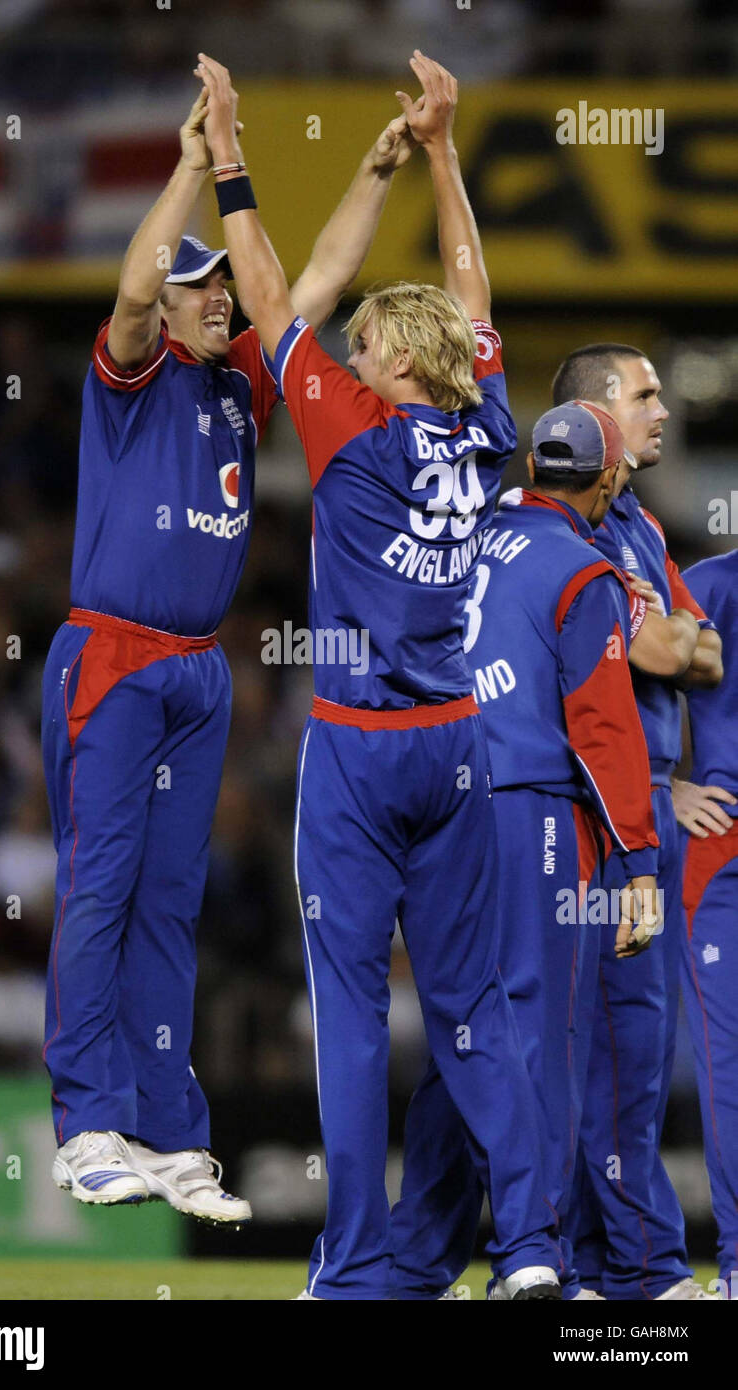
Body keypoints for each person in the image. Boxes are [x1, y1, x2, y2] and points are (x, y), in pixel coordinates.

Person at [198, 48, 563, 1300]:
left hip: (358, 752)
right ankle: (524, 1252)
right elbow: (471, 282)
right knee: (470, 1013)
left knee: (351, 1019)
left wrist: (233, 158)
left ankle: (353, 1271)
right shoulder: (484, 420)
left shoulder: (352, 431)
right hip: (462, 741)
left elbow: (262, 290)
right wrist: (446, 155)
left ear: (393, 366)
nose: (345, 357)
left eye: (363, 346)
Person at [42, 83, 418, 1213]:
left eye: (218, 286)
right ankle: (84, 1123)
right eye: (201, 285)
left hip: (197, 672)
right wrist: (197, 164)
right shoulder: (134, 377)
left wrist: (379, 167)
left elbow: (320, 281)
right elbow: (132, 285)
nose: (218, 300)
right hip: (111, 653)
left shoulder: (241, 385)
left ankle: (166, 1133)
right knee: (100, 887)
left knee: (169, 901)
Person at [390, 402, 677, 1300]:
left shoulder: (468, 534)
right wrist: (638, 862)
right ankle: (537, 1253)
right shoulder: (579, 568)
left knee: (465, 1040)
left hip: (437, 796)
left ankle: (411, 1263)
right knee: (544, 1035)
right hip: (530, 811)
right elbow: (601, 730)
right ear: (602, 478)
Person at [551, 345, 723, 1299]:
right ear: (595, 415)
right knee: (593, 1045)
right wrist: (663, 638)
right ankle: (619, 1264)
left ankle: (605, 1263)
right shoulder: (558, 527)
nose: (662, 409)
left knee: (634, 1052)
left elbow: (700, 656)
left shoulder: (642, 529)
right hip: (581, 811)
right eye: (645, 394)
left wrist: (666, 785)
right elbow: (661, 644)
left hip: (641, 800)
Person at [673, 550, 738, 1295]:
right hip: (723, 847)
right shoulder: (707, 584)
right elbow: (603, 681)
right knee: (728, 1069)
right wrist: (665, 784)